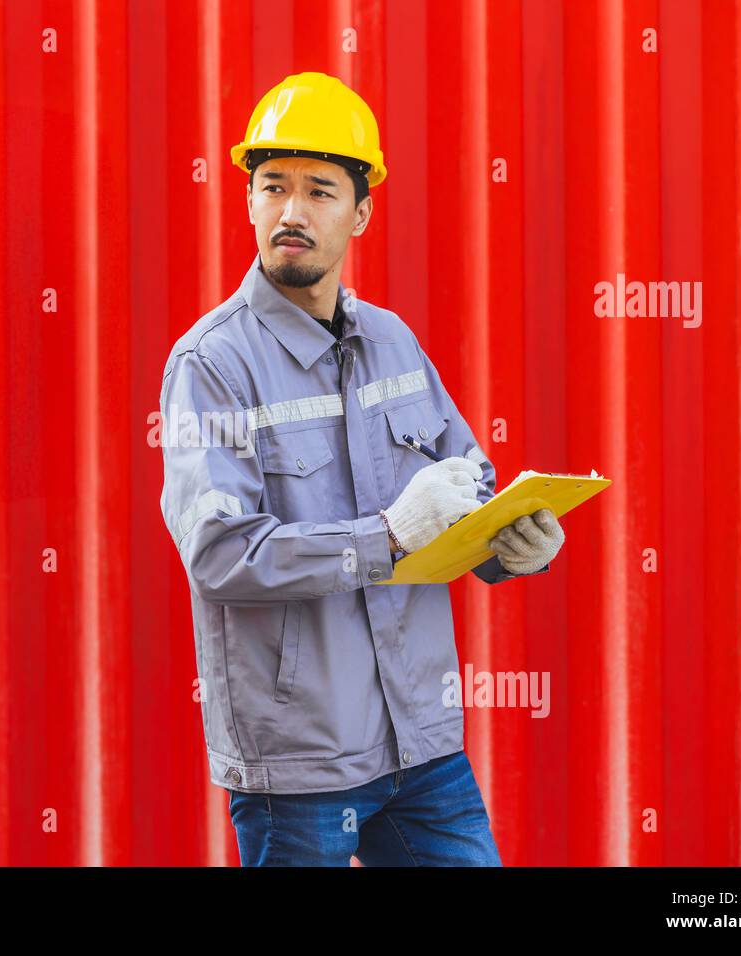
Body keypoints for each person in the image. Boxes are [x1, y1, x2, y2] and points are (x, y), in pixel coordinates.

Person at [157, 72, 565, 866]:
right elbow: (218, 554)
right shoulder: (212, 365)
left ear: (362, 211)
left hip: (421, 746)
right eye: (273, 187)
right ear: (248, 202)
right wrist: (383, 535)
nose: (293, 212)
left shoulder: (392, 342)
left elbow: (466, 485)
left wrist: (510, 546)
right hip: (299, 766)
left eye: (319, 191)